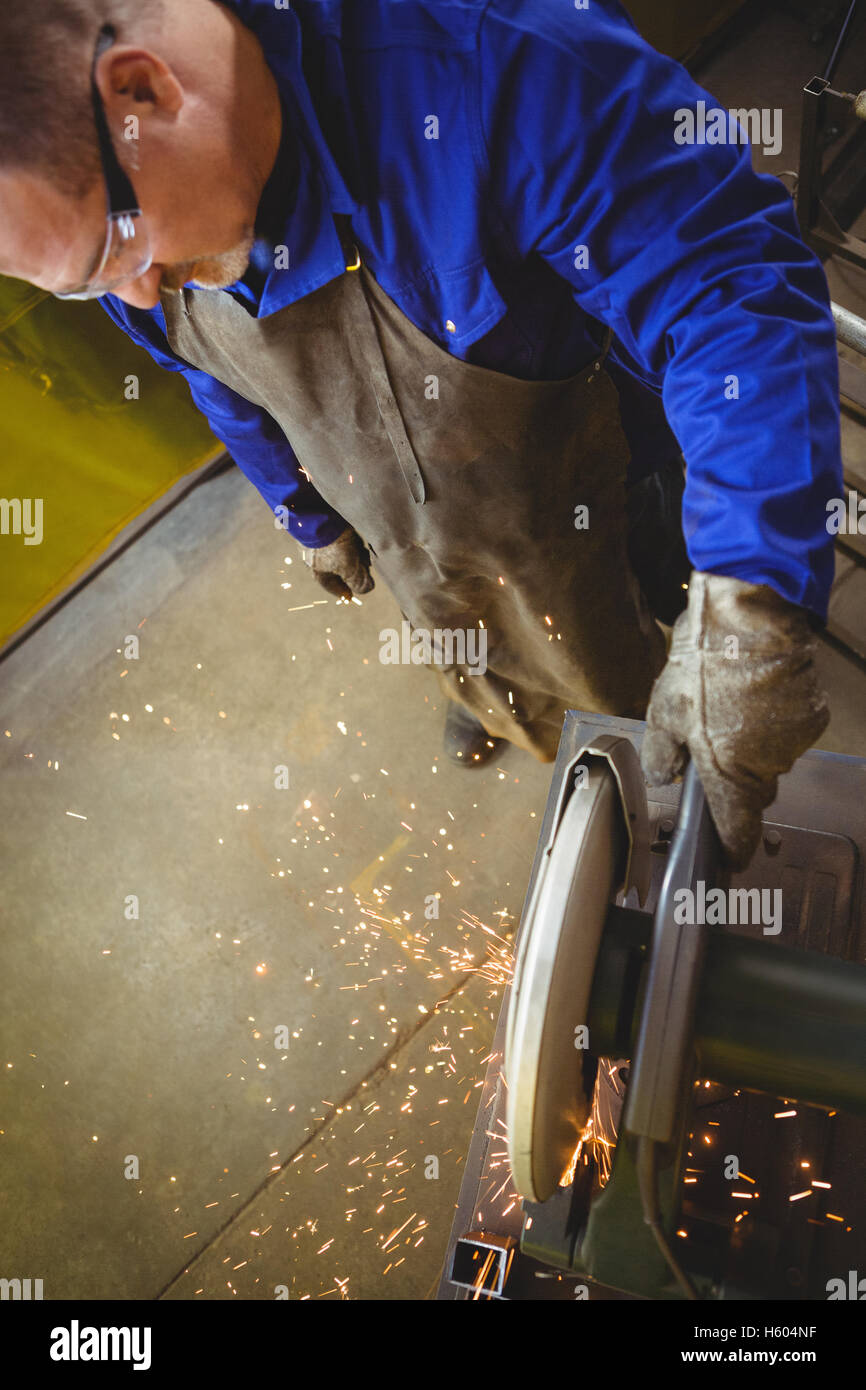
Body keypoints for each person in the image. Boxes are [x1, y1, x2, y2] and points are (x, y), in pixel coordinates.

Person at [0, 0, 841, 869]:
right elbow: (216, 381)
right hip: (406, 532)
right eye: (83, 283)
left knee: (603, 652)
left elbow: (727, 290)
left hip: (572, 497)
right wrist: (310, 518)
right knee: (458, 627)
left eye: (113, 247)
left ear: (143, 90)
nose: (132, 294)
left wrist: (751, 597)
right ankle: (495, 699)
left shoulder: (495, 62)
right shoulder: (133, 246)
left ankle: (625, 732)